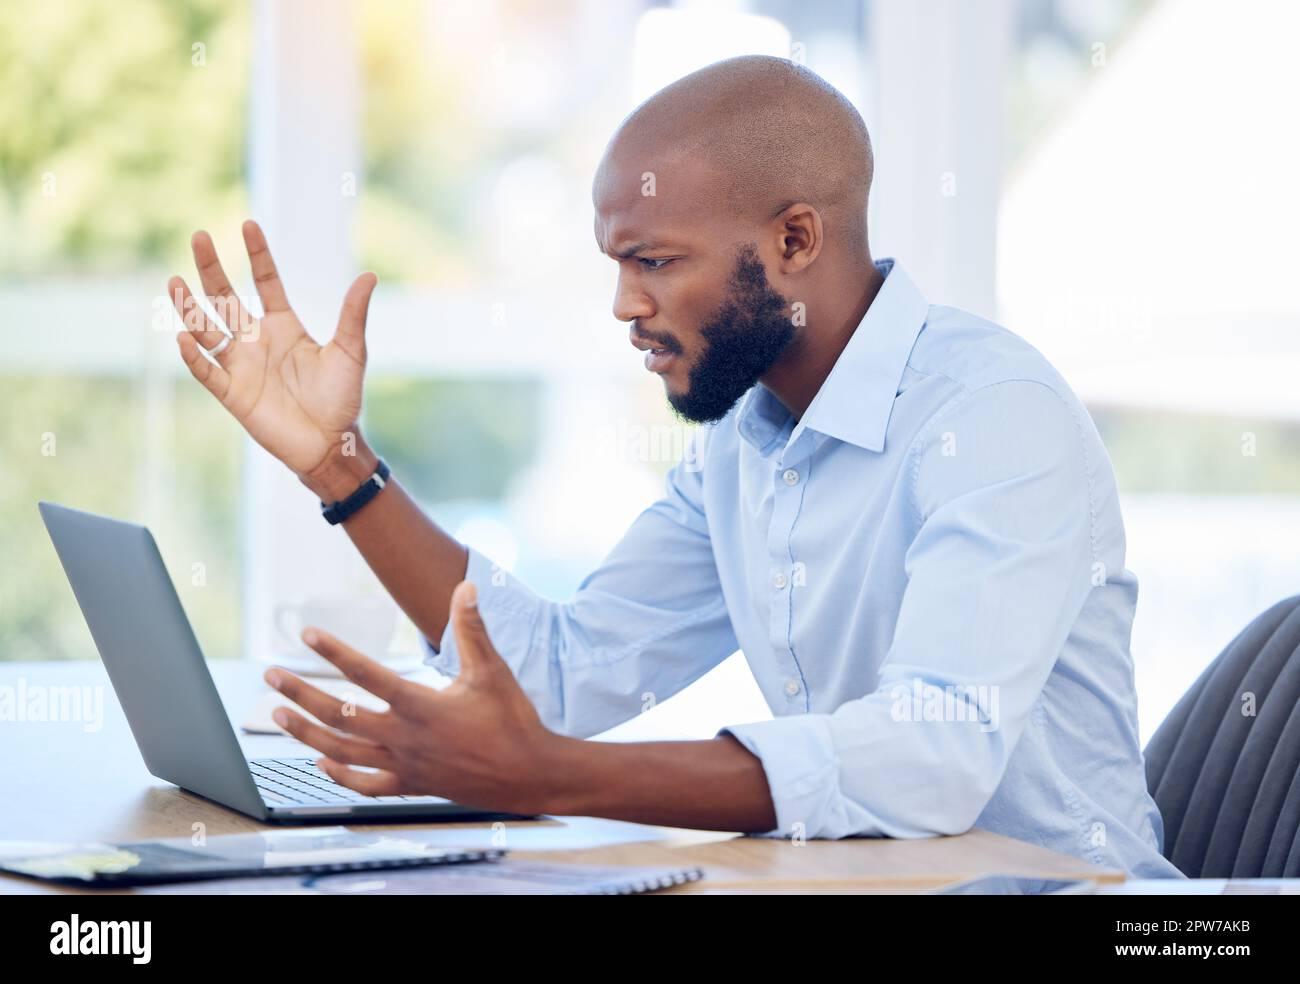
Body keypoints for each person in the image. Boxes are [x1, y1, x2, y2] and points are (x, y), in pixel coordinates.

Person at [168, 55, 1181, 878]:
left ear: (793, 240)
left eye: (652, 261)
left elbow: (931, 755)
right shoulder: (743, 444)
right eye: (616, 265)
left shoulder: (994, 417)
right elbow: (565, 677)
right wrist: (339, 465)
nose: (623, 305)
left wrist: (551, 777)